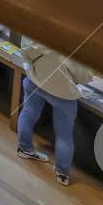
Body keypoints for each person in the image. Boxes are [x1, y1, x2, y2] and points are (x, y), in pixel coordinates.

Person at [16, 40, 92, 186]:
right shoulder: (74, 47)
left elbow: (25, 51)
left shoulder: (41, 37)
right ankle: (62, 173)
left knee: (28, 113)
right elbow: (85, 77)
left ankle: (24, 148)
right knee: (64, 135)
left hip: (35, 81)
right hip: (63, 95)